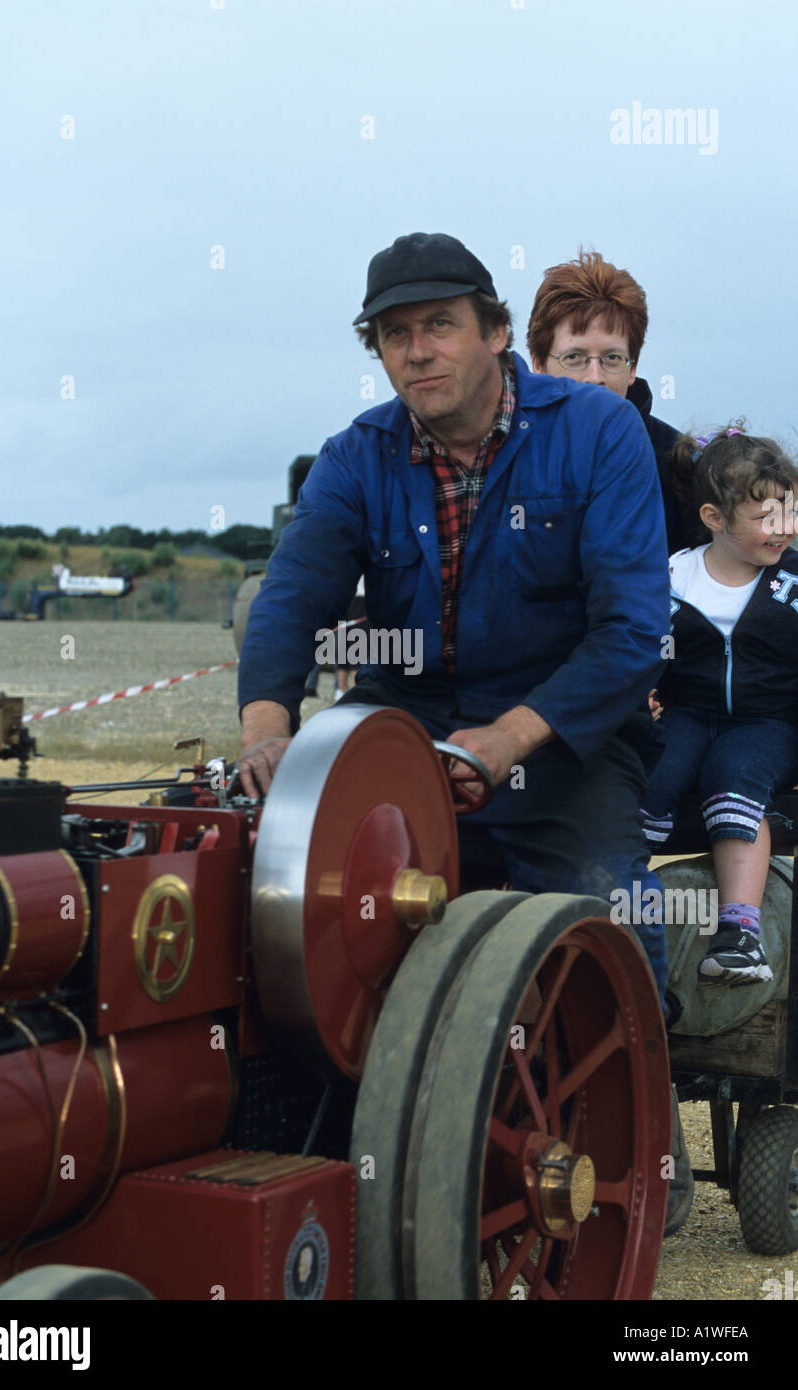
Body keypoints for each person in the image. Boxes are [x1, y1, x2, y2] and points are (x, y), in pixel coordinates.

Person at [237, 230, 671, 1008]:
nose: (415, 351)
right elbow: (293, 596)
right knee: (283, 913)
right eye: (393, 335)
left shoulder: (600, 433)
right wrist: (266, 727)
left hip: (565, 747)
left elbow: (631, 633)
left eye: (438, 324)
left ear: (496, 333)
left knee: (612, 939)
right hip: (404, 732)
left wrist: (509, 738)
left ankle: (628, 1097)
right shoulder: (354, 456)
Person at [643, 426, 798, 984]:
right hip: (690, 713)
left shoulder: (794, 583)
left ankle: (740, 933)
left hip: (769, 722)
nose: (784, 528)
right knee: (650, 774)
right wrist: (645, 693)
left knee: (733, 778)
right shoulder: (673, 578)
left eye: (790, 511)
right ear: (714, 518)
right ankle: (619, 902)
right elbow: (640, 649)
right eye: (766, 516)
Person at [527, 250, 691, 553]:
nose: (595, 377)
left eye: (612, 358)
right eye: (574, 357)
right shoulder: (500, 457)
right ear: (537, 363)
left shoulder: (682, 468)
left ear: (634, 366)